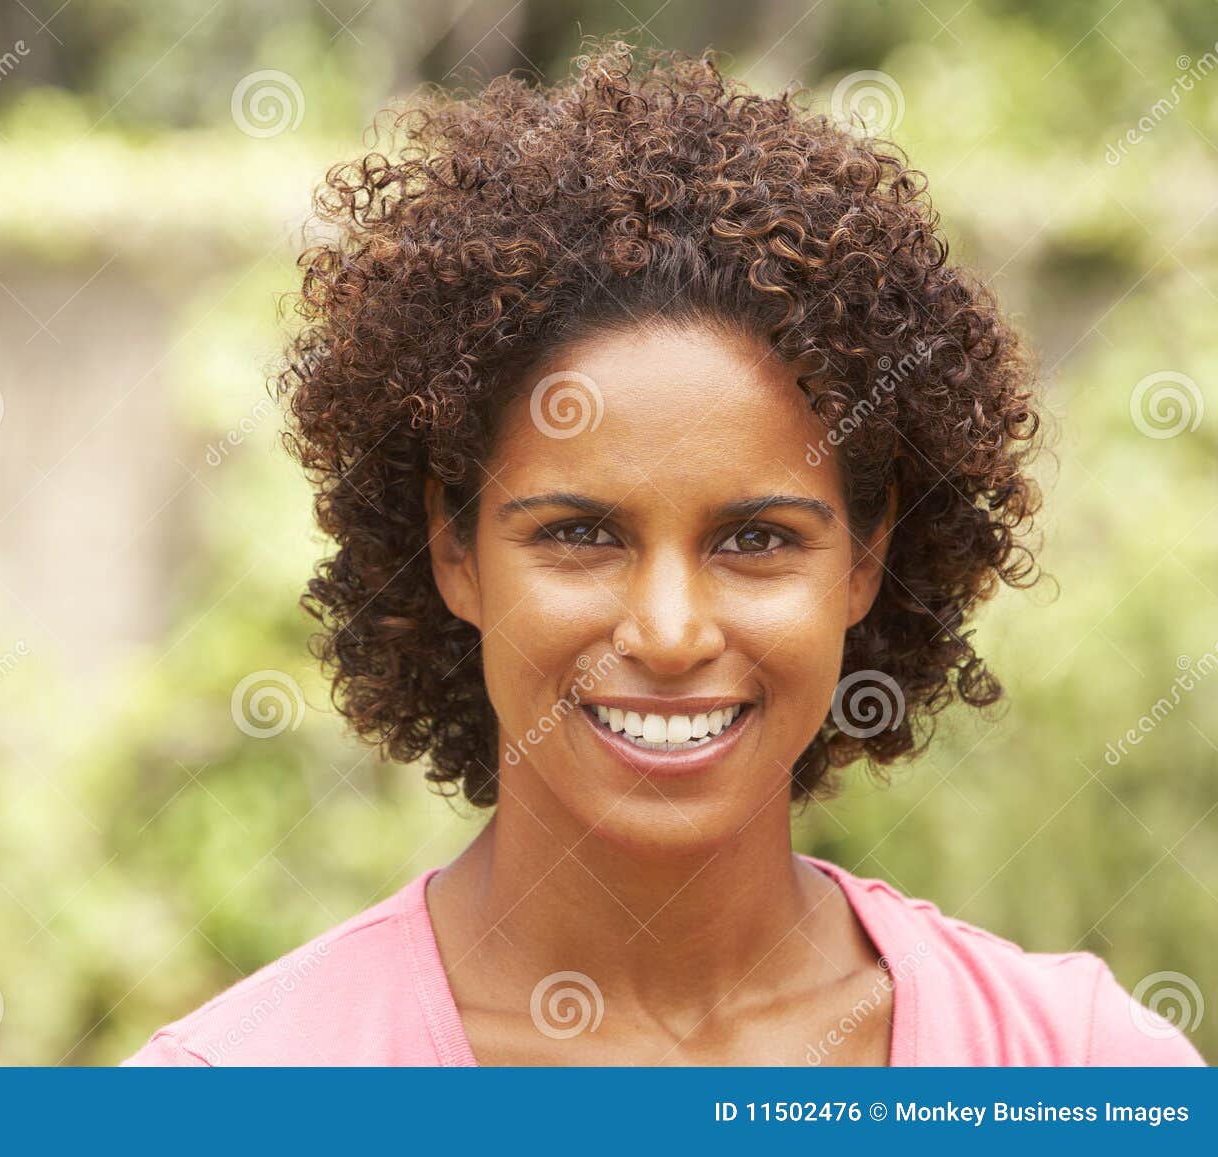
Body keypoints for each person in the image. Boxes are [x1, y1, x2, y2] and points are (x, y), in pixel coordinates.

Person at [125, 39, 1205, 1066]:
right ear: (452, 549)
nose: (670, 630)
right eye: (581, 533)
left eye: (755, 538)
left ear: (867, 557)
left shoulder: (1077, 1067)